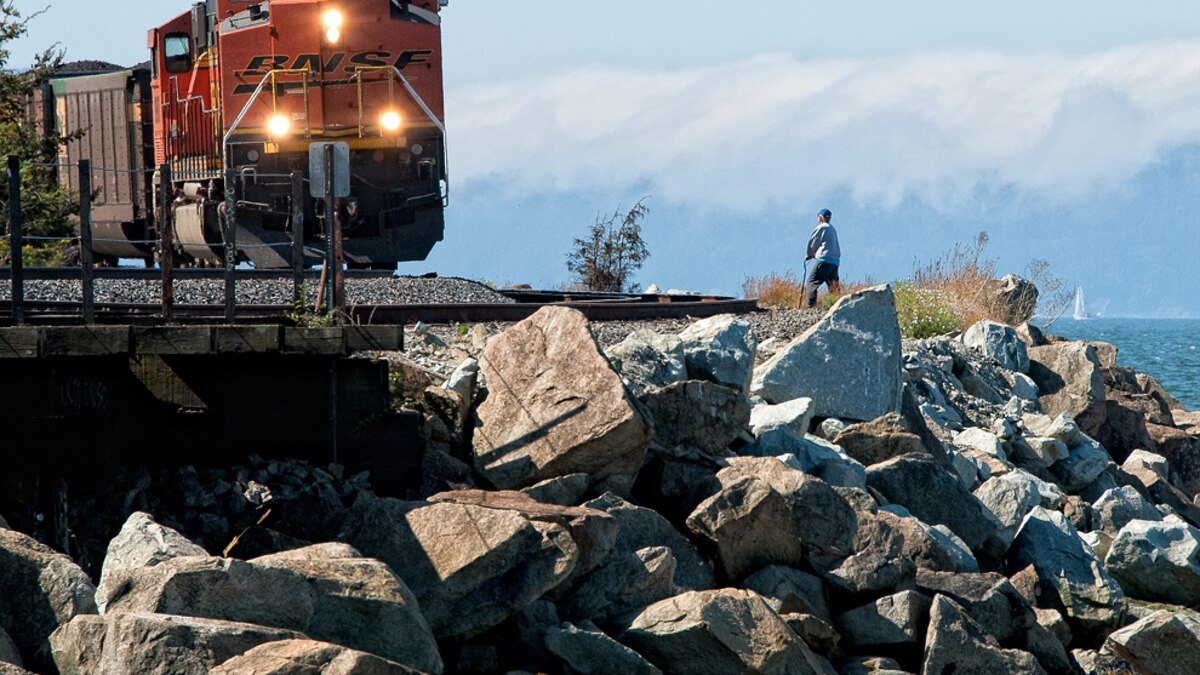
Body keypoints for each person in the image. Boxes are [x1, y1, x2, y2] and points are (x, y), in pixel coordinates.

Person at [804, 208, 840, 308]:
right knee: (833, 285)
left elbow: (813, 242)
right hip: (835, 261)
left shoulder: (821, 227)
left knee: (812, 282)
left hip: (824, 259)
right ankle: (837, 305)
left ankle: (811, 305)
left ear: (820, 218)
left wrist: (810, 255)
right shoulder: (832, 229)